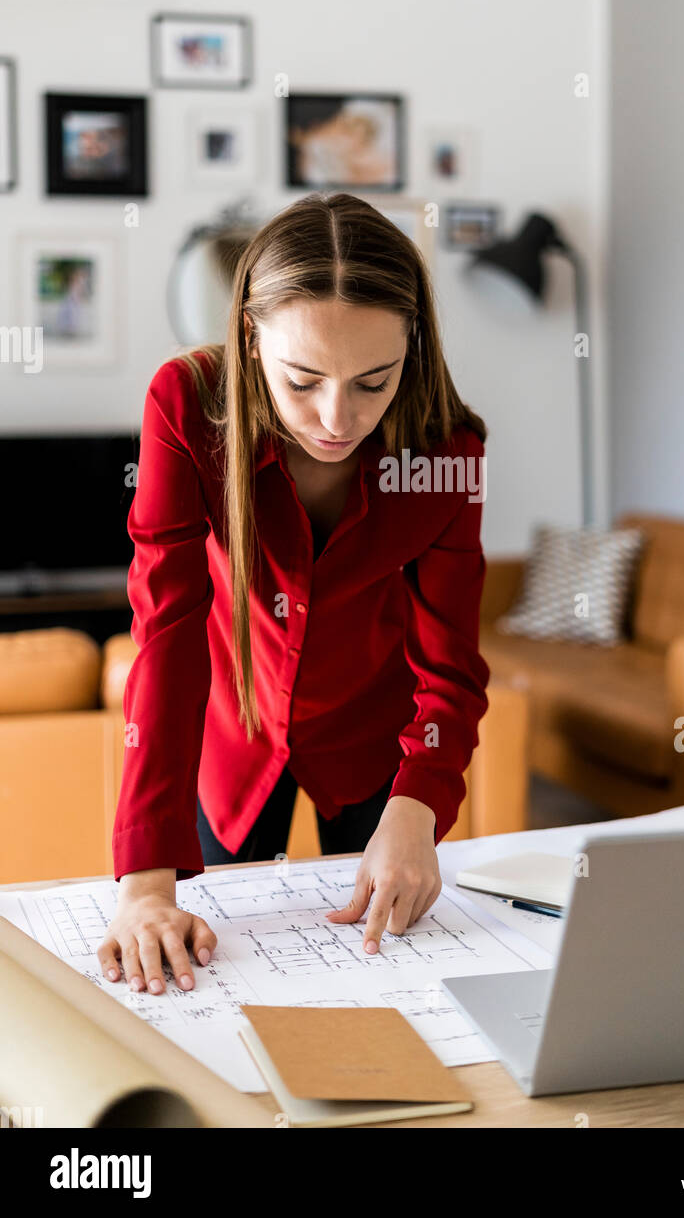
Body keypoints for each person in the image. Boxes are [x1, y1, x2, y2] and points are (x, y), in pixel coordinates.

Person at [97, 191, 490, 997]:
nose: (336, 419)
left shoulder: (449, 451)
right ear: (250, 334)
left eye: (373, 381)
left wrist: (420, 809)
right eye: (302, 380)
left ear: (411, 347)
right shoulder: (184, 403)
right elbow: (167, 633)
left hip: (374, 745)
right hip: (229, 739)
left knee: (393, 975)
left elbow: (451, 665)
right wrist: (142, 888)